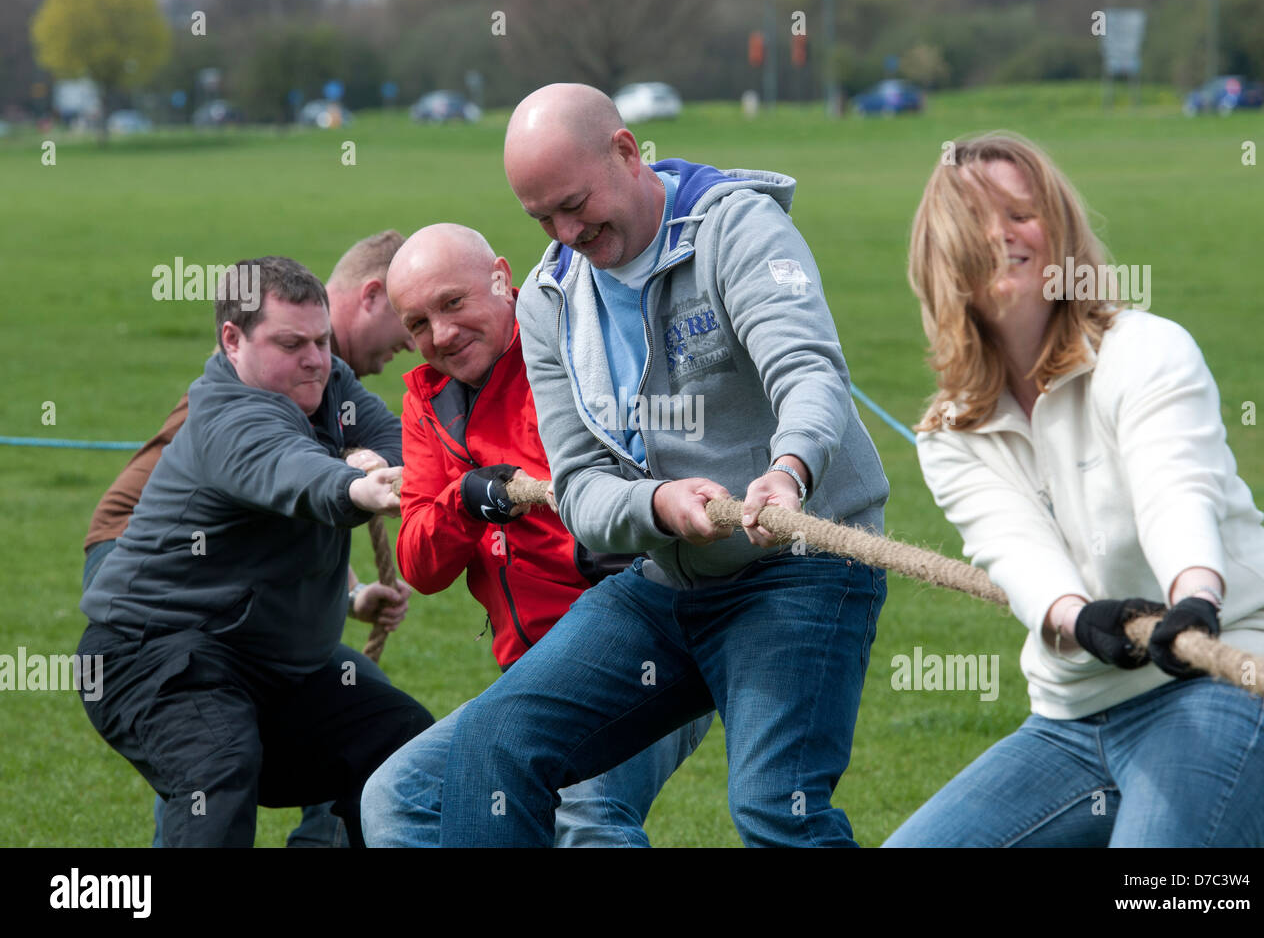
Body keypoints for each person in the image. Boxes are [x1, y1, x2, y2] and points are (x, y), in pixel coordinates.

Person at [437, 84, 889, 848]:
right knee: (491, 743)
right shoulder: (548, 299)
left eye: (575, 203)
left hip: (802, 562)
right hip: (662, 578)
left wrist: (788, 471)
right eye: (542, 217)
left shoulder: (737, 228)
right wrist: (656, 506)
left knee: (778, 806)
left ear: (626, 150)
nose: (567, 230)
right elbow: (578, 485)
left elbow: (809, 372)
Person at [883, 131, 1264, 847]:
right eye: (978, 220)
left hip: (1237, 676)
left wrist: (1194, 594)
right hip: (1073, 715)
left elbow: (1176, 489)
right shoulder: (947, 431)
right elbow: (1015, 550)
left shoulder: (1145, 350)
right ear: (942, 253)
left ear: (1061, 234)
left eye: (1022, 213)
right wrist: (1077, 620)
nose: (1001, 235)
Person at [359, 223, 712, 847]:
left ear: (501, 278)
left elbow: (622, 522)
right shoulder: (427, 399)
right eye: (417, 325)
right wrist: (468, 501)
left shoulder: (579, 347)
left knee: (587, 814)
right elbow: (421, 564)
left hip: (640, 646)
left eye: (452, 304)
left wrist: (521, 499)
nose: (440, 335)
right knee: (399, 799)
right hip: (529, 672)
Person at [78, 256, 434, 847]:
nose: (316, 359)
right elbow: (287, 468)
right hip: (152, 651)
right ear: (232, 340)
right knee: (217, 766)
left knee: (401, 744)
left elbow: (393, 436)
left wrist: (380, 462)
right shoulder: (226, 412)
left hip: (271, 663)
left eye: (321, 340)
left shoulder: (328, 385)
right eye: (291, 343)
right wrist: (352, 484)